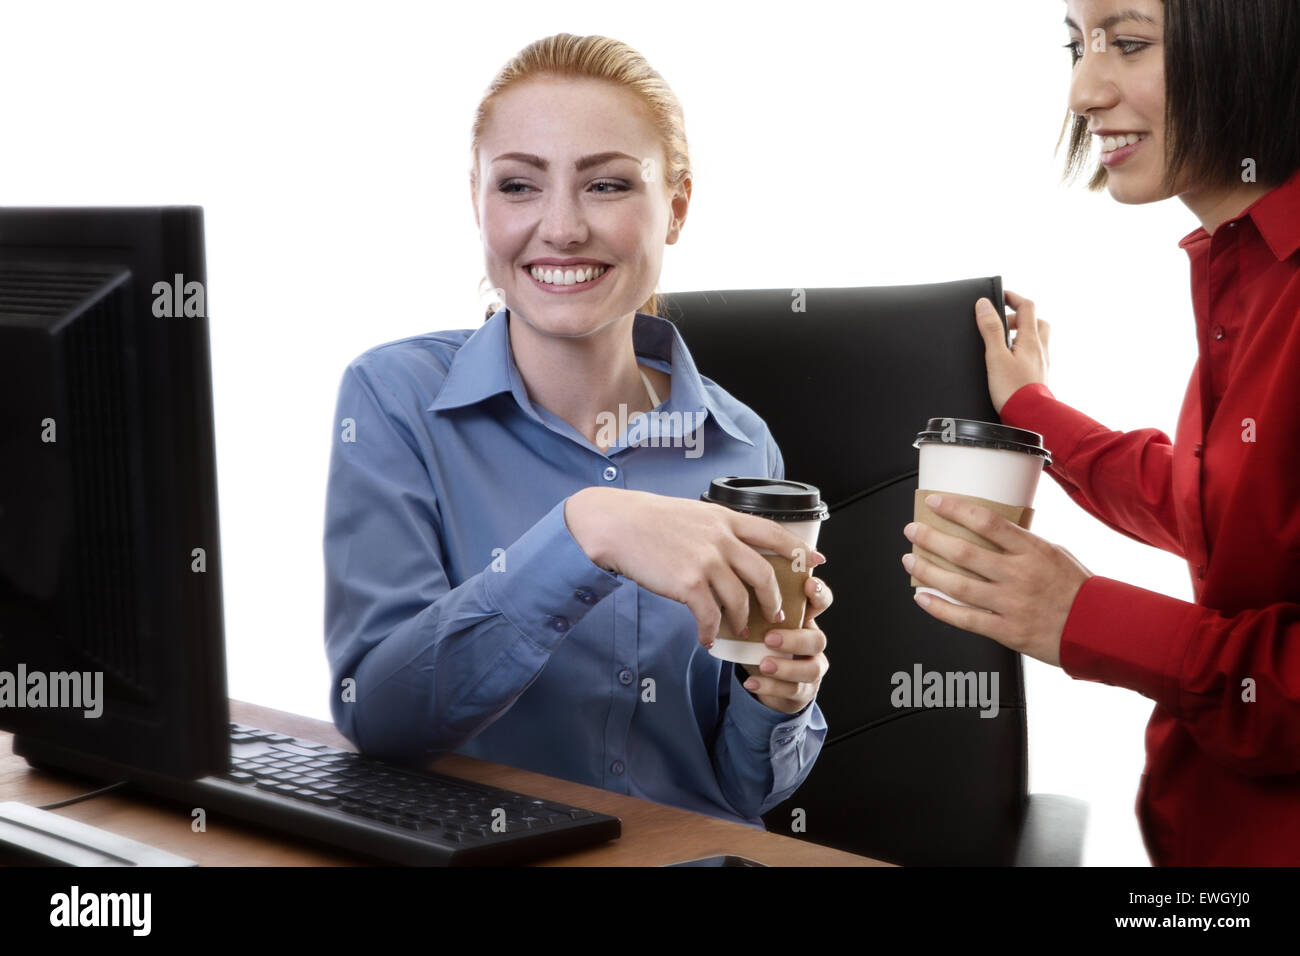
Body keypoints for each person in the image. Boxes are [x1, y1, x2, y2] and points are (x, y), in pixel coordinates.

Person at [323, 33, 830, 828]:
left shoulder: (739, 446)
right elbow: (380, 720)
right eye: (520, 185)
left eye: (607, 185)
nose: (560, 228)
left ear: (679, 208)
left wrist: (779, 700)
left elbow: (741, 790)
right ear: (478, 202)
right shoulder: (394, 401)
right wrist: (586, 528)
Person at [903, 0, 1300, 864]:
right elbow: (1224, 507)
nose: (1083, 90)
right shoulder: (1247, 265)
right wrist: (1036, 413)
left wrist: (1080, 614)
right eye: (1077, 47)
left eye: (1127, 44)